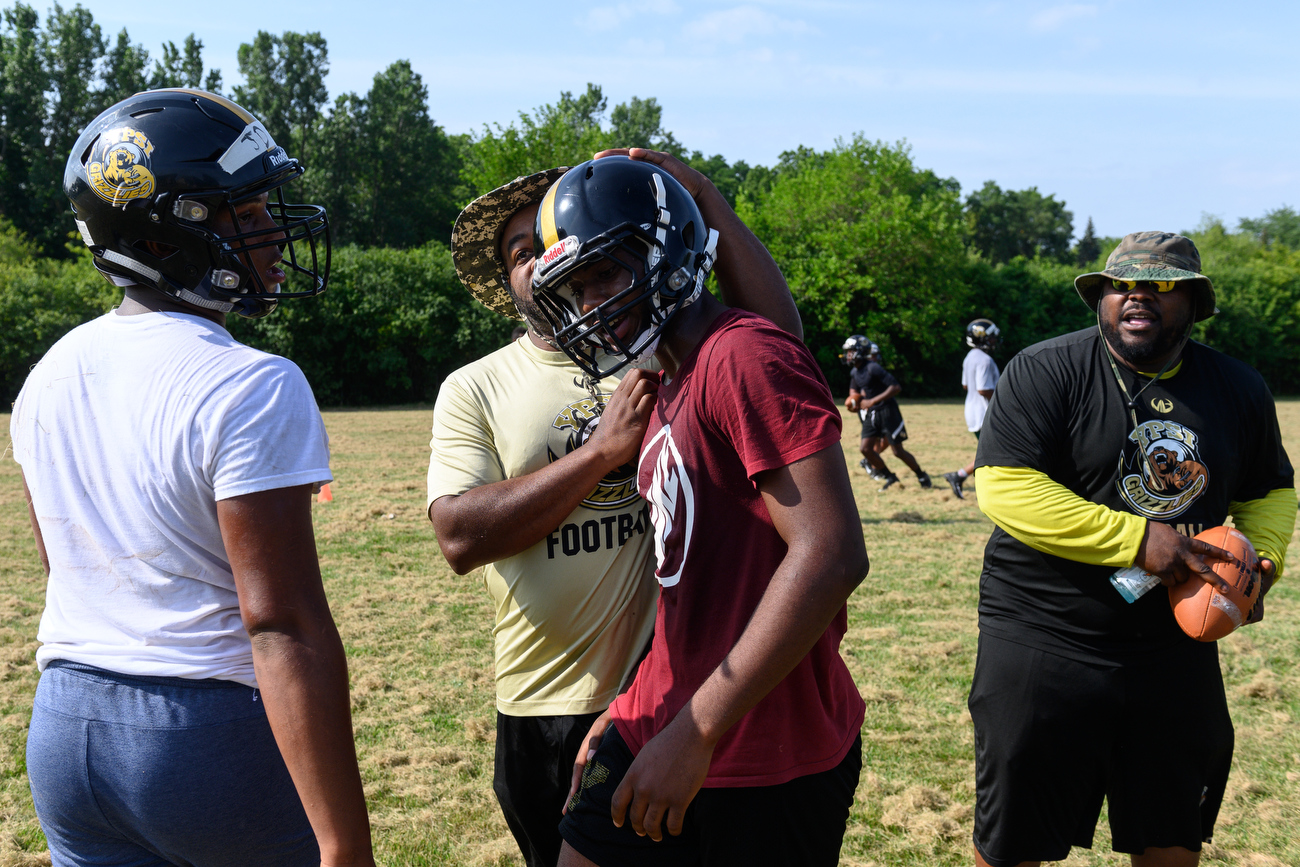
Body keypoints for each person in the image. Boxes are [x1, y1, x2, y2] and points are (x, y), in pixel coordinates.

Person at [11, 89, 373, 866]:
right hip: (202, 734)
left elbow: (68, 564)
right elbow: (281, 625)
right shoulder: (252, 382)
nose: (273, 231)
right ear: (170, 233)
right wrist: (345, 843)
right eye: (243, 216)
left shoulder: (49, 371)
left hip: (66, 723)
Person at [428, 148, 802, 867]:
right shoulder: (477, 385)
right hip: (546, 701)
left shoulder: (650, 342)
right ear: (506, 282)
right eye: (521, 252)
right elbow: (457, 536)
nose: (543, 262)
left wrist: (706, 199)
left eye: (554, 245)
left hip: (670, 688)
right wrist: (599, 454)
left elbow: (777, 344)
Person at [530, 156, 868, 867]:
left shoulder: (741, 354)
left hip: (756, 741)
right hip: (665, 709)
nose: (592, 303)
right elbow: (691, 585)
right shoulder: (671, 373)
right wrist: (631, 703)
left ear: (669, 251)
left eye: (607, 274)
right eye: (577, 288)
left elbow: (831, 553)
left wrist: (697, 731)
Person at [968, 231, 1295, 867]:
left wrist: (1263, 563)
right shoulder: (1046, 368)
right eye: (1120, 285)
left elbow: (1270, 491)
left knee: (1172, 836)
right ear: (1102, 299)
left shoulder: (1238, 388)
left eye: (1159, 285)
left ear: (1194, 304)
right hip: (1044, 631)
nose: (1136, 295)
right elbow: (1005, 489)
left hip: (1172, 646)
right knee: (1014, 838)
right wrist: (1139, 539)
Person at [842, 334, 933, 491]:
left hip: (888, 411)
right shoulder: (855, 373)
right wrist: (853, 403)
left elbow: (895, 387)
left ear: (859, 351)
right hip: (872, 413)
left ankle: (921, 475)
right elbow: (853, 392)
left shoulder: (873, 367)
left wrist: (872, 401)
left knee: (897, 451)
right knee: (865, 449)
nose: (847, 355)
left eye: (850, 351)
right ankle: (890, 476)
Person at [943, 318, 1001, 499]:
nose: (993, 340)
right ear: (981, 338)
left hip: (973, 411)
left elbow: (966, 386)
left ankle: (960, 475)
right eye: (990, 338)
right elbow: (983, 389)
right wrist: (1003, 401)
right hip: (985, 412)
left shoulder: (970, 357)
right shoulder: (984, 360)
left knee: (993, 451)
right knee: (995, 452)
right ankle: (959, 476)